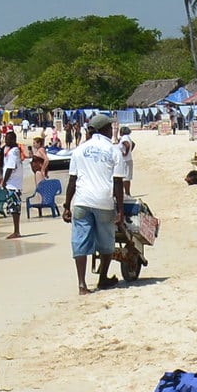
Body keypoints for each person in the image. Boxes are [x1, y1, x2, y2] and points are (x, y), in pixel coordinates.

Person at [62, 115, 126, 295]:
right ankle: (103, 278)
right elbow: (118, 183)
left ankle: (82, 285)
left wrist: (67, 205)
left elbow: (72, 180)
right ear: (105, 129)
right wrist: (120, 210)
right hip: (104, 202)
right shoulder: (114, 151)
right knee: (107, 242)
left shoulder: (78, 150)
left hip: (81, 202)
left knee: (80, 241)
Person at [2, 133, 28, 239]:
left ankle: (16, 231)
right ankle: (16, 230)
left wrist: (4, 181)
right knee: (14, 208)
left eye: (8, 139)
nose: (6, 141)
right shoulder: (16, 151)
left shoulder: (13, 152)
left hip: (12, 184)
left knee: (14, 208)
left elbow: (10, 168)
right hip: (15, 183)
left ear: (13, 140)